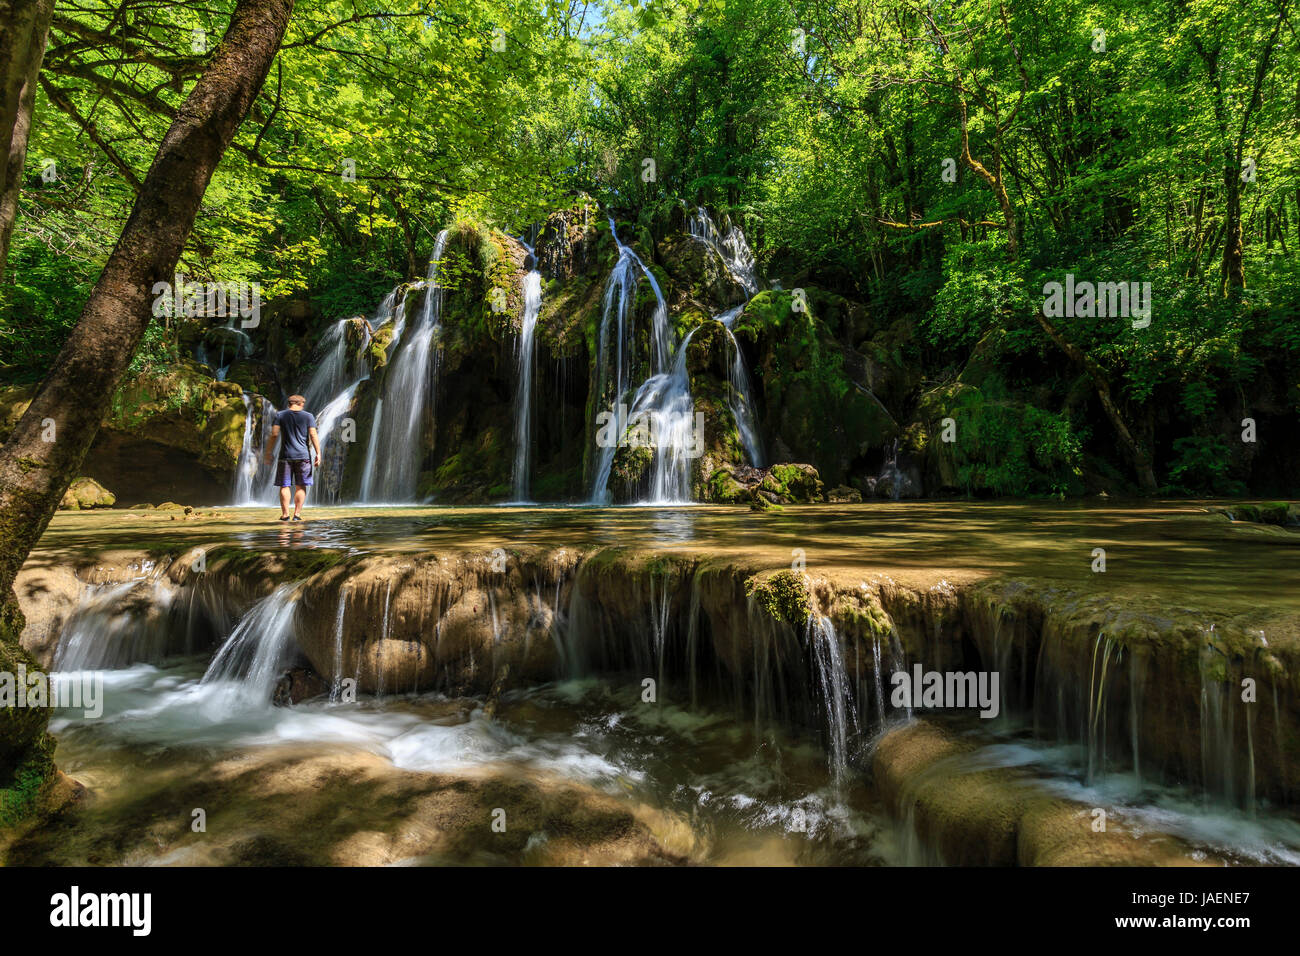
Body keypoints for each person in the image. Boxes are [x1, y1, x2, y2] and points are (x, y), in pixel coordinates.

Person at [263, 394, 321, 521]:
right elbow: (313, 435)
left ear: (289, 404)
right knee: (301, 485)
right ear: (300, 404)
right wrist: (318, 453)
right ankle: (297, 515)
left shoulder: (280, 415)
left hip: (285, 456)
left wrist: (268, 452)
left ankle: (285, 515)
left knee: (284, 486)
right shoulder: (308, 416)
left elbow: (274, 434)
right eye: (303, 404)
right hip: (303, 456)